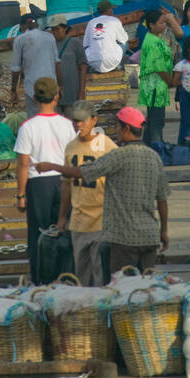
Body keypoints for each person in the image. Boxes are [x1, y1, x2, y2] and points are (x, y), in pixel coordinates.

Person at [49, 106, 169, 276]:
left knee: (121, 289)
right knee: (146, 288)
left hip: (125, 238)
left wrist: (50, 166)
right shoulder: (154, 157)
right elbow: (163, 200)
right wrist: (163, 231)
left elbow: (82, 172)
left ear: (126, 128)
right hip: (150, 236)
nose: (117, 131)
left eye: (118, 127)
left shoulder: (117, 155)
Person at [14, 77, 76, 283]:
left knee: (39, 234)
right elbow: (71, 159)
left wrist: (21, 195)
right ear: (57, 97)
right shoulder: (67, 125)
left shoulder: (28, 127)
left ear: (34, 97)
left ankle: (41, 280)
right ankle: (65, 276)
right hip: (63, 181)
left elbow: (23, 164)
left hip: (38, 185)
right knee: (63, 229)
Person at [56, 101, 116, 285]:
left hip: (101, 219)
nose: (78, 125)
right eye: (75, 121)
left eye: (83, 121)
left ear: (94, 120)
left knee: (100, 275)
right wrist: (62, 217)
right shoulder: (71, 147)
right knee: (81, 275)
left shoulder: (106, 145)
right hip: (79, 220)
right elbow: (66, 184)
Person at [11, 15, 61, 118]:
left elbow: (16, 68)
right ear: (37, 25)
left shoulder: (20, 40)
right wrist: (60, 86)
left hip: (32, 88)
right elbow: (57, 63)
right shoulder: (49, 37)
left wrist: (13, 90)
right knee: (52, 116)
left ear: (22, 27)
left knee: (35, 119)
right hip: (51, 86)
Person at [137, 9, 175, 146]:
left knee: (153, 119)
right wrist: (170, 81)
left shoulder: (153, 39)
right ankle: (157, 146)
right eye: (161, 23)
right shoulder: (153, 42)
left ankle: (149, 144)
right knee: (157, 120)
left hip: (154, 85)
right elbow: (159, 67)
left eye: (164, 23)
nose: (164, 25)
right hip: (155, 85)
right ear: (151, 25)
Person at [48, 14, 87, 114]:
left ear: (65, 28)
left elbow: (83, 68)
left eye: (57, 29)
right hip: (54, 96)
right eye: (52, 30)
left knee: (72, 123)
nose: (55, 32)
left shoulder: (75, 44)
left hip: (72, 93)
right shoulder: (49, 46)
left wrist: (81, 91)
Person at [83, 0, 128, 74]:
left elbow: (86, 45)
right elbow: (124, 39)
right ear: (109, 10)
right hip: (111, 60)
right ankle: (116, 65)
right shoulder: (114, 20)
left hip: (93, 62)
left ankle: (94, 68)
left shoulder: (91, 22)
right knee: (126, 44)